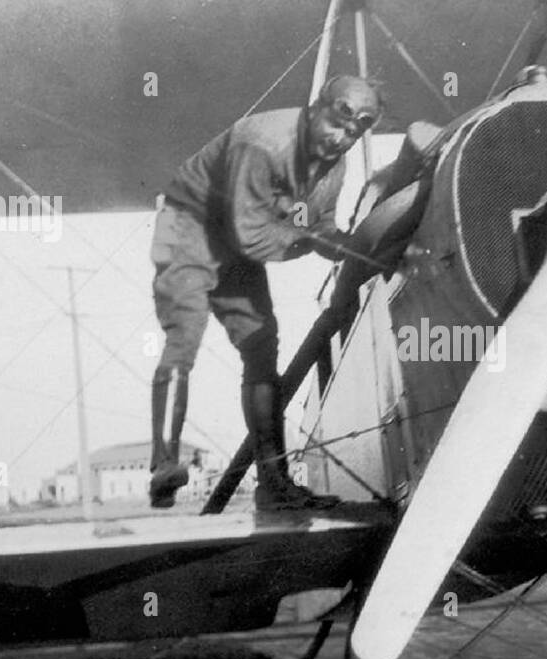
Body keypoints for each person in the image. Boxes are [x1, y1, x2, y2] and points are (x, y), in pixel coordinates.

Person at [148, 75, 383, 510]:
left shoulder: (335, 167)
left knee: (261, 345)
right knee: (185, 334)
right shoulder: (263, 143)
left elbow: (319, 225)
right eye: (338, 122)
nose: (342, 138)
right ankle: (164, 466)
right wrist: (315, 242)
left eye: (356, 132)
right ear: (315, 109)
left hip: (242, 237)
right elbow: (251, 236)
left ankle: (274, 483)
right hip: (191, 226)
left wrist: (351, 245)